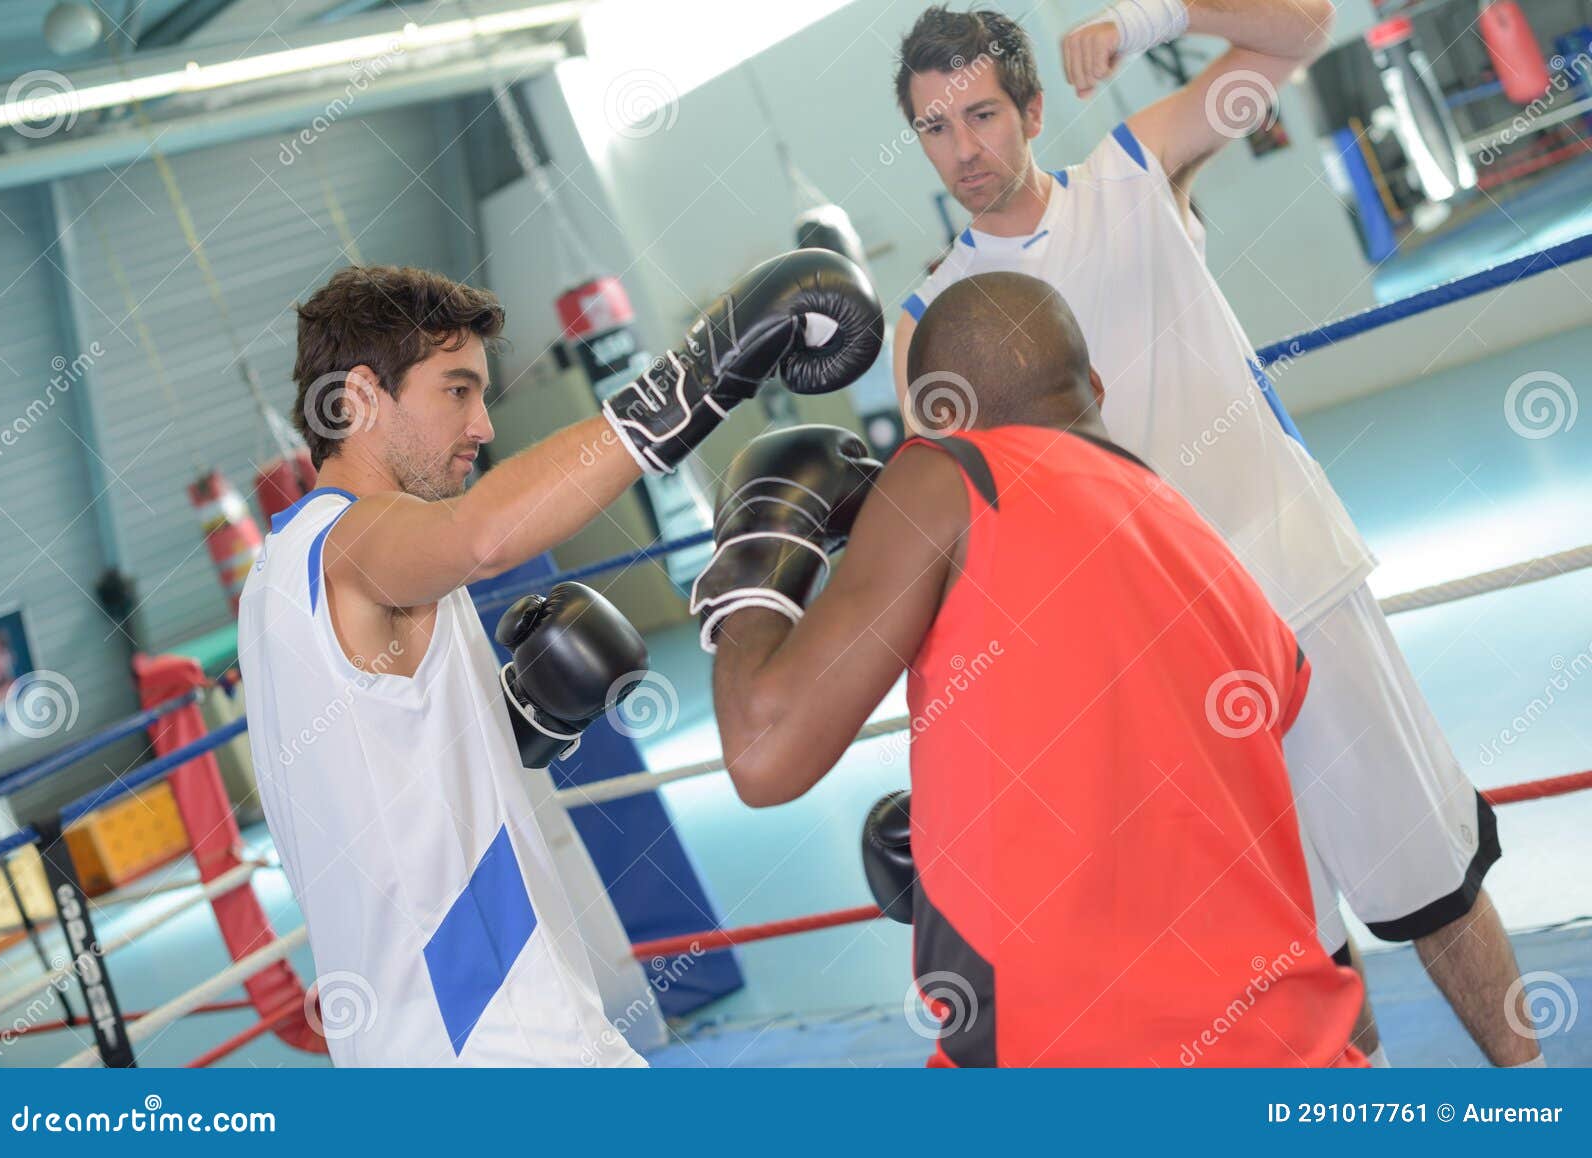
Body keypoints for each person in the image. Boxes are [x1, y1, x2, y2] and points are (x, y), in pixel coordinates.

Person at [888, 5, 1538, 1067]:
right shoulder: (929, 323)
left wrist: (1156, 19)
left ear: (1032, 109)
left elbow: (1298, 33)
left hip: (1296, 586)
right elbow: (959, 544)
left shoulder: (1134, 174)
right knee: (1292, 969)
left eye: (983, 114)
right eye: (934, 126)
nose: (964, 148)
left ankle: (1535, 1107)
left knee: (1437, 889)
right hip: (1162, 678)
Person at [703, 271, 1364, 1067]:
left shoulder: (949, 474)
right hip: (1293, 1047)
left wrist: (753, 552)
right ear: (1091, 388)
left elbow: (764, 753)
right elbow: (1155, 749)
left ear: (938, 420)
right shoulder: (1202, 545)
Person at [237, 254, 882, 1066]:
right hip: (493, 1045)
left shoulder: (274, 581)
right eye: (457, 390)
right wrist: (701, 376)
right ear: (360, 397)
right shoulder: (350, 542)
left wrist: (525, 719)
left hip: (449, 1038)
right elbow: (483, 536)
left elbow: (384, 777)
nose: (482, 426)